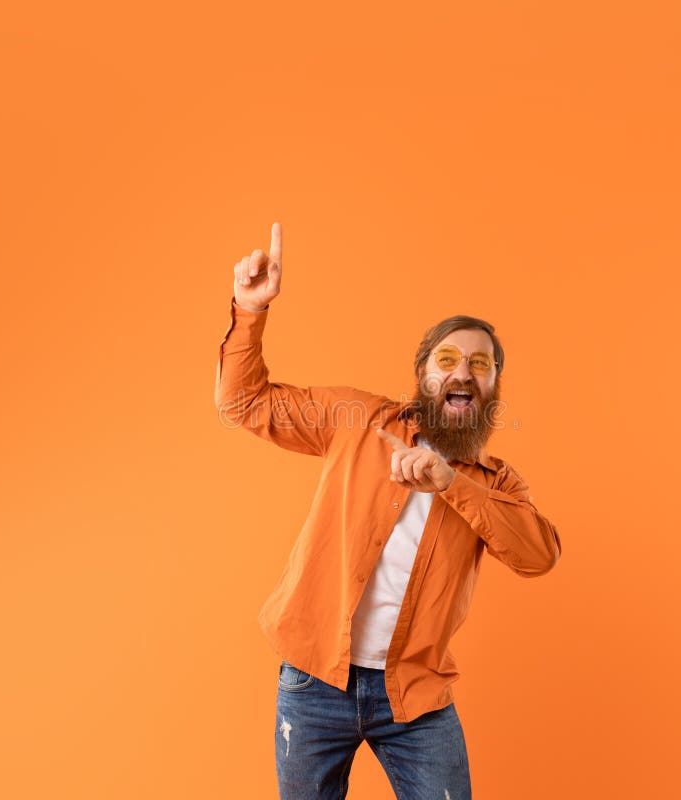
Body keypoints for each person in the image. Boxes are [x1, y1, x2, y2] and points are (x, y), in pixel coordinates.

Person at [214, 222, 562, 799]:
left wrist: (451, 482)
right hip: (314, 682)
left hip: (416, 699)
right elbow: (243, 403)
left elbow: (538, 556)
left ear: (495, 384)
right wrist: (250, 311)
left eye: (481, 364)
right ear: (423, 373)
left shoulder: (497, 483)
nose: (463, 374)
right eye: (448, 359)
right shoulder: (357, 422)